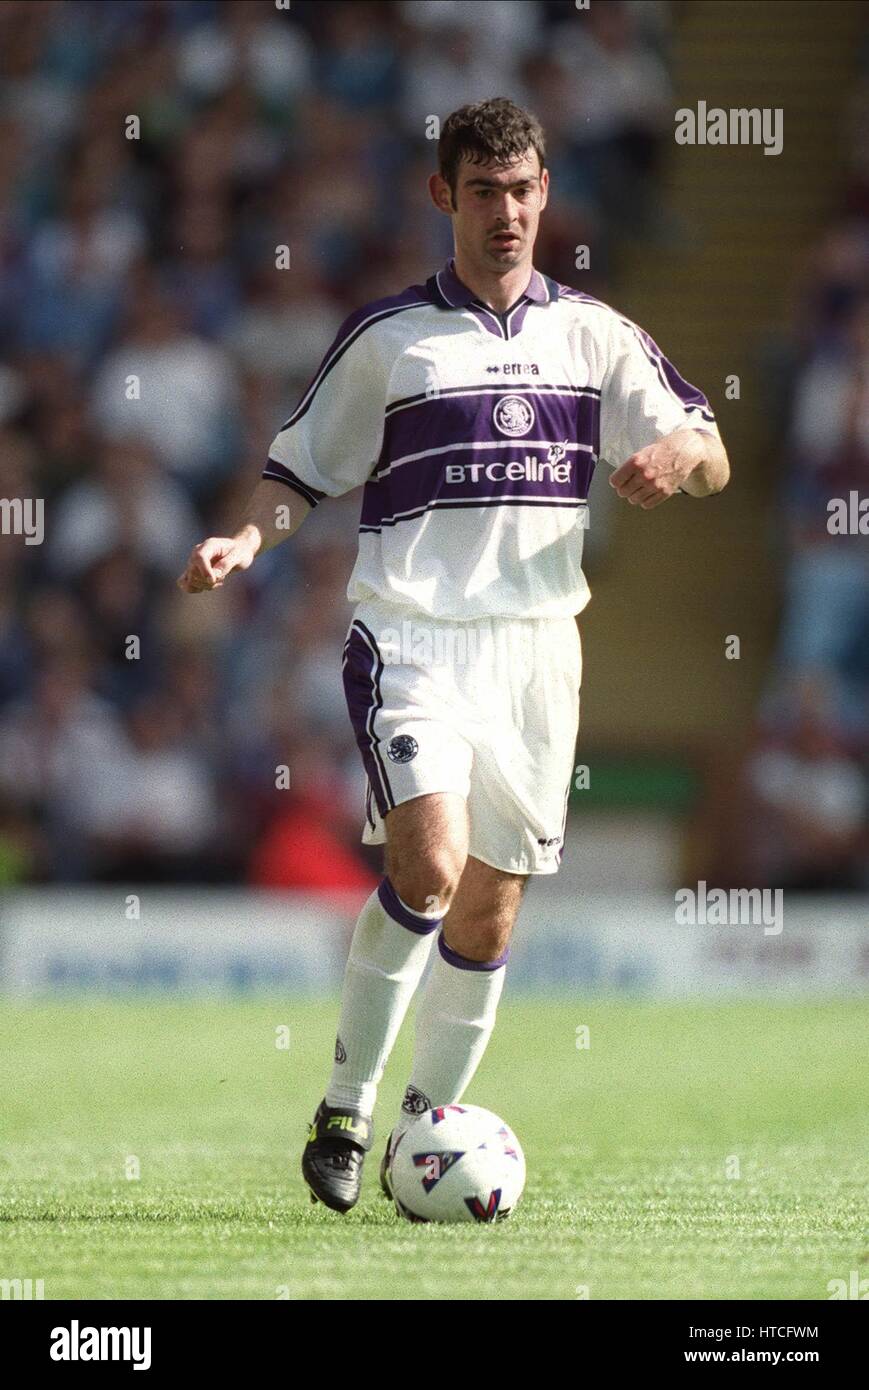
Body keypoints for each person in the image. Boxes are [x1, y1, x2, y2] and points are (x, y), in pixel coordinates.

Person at [178, 98, 730, 1213]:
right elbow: (296, 477)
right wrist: (243, 537)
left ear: (546, 193)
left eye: (523, 189)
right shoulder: (388, 340)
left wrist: (675, 450)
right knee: (425, 868)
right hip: (412, 633)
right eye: (484, 191)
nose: (508, 211)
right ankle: (344, 1103)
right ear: (445, 197)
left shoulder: (595, 335)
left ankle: (427, 1126)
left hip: (535, 649)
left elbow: (710, 450)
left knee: (486, 913)